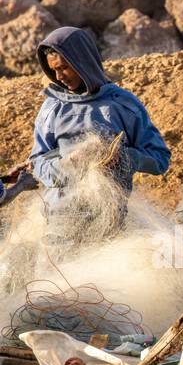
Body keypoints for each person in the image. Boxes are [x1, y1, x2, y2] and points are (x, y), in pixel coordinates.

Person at [25, 26, 169, 224]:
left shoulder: (122, 105)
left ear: (82, 61)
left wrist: (126, 158)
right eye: (54, 70)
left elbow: (160, 159)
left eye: (63, 67)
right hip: (59, 220)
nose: (58, 77)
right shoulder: (52, 108)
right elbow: (37, 163)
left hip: (108, 221)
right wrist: (66, 166)